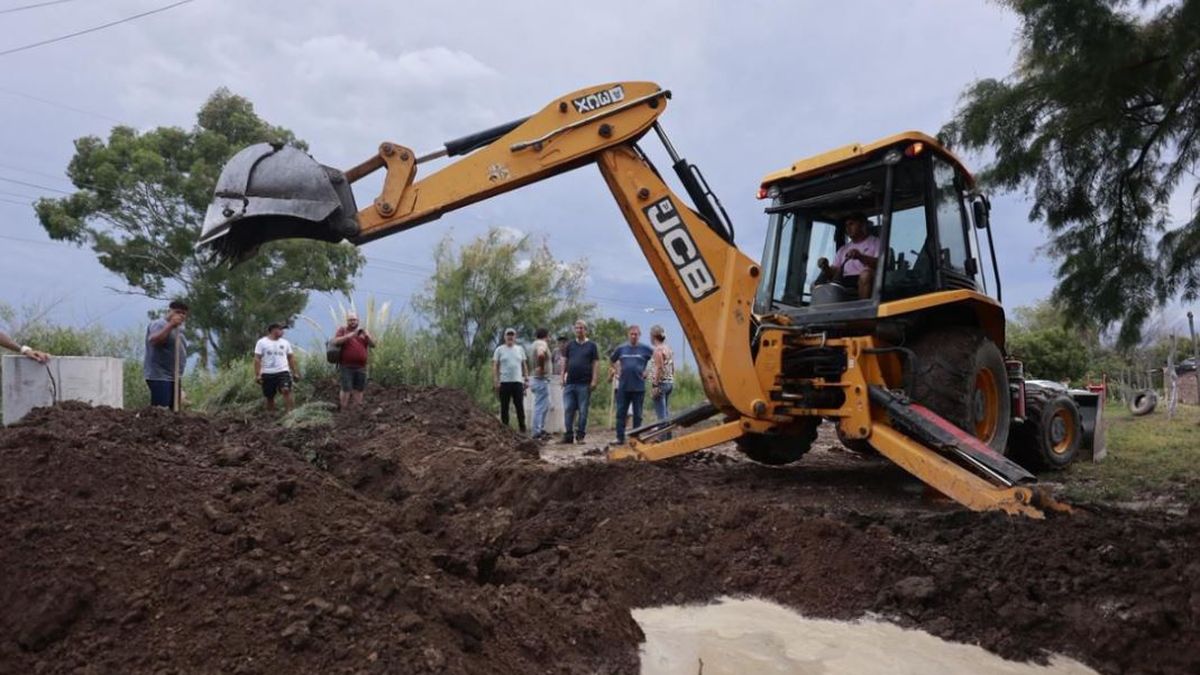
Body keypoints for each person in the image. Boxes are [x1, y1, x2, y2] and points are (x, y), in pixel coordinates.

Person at [816, 212, 880, 299]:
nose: (848, 228)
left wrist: (860, 257)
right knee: (815, 285)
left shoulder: (876, 243)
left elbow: (880, 264)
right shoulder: (843, 249)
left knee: (866, 275)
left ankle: (864, 308)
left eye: (851, 224)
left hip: (869, 281)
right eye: (846, 226)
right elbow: (834, 271)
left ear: (862, 225)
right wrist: (825, 266)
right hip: (846, 281)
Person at [609, 325, 655, 446]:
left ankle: (635, 437)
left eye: (636, 334)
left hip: (638, 386)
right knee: (621, 413)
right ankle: (620, 437)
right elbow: (612, 360)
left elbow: (658, 359)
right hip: (623, 386)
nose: (634, 336)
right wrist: (617, 369)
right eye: (632, 334)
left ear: (639, 335)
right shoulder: (621, 348)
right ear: (628, 335)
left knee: (638, 414)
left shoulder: (645, 349)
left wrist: (648, 372)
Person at [144, 300, 188, 409]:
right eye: (178, 312)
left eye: (183, 313)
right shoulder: (159, 324)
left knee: (173, 412)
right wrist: (171, 325)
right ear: (169, 311)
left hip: (174, 377)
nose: (181, 315)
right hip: (160, 376)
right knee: (161, 412)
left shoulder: (180, 329)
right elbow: (154, 341)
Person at [560, 319, 599, 445]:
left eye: (581, 328)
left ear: (585, 330)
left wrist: (594, 380)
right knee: (568, 409)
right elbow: (564, 361)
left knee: (583, 411)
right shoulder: (570, 345)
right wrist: (562, 377)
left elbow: (595, 363)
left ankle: (580, 436)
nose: (578, 330)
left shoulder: (592, 346)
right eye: (577, 328)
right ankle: (568, 435)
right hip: (570, 382)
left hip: (584, 383)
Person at [254, 323, 300, 413]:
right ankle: (271, 414)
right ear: (273, 330)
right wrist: (257, 374)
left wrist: (295, 372)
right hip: (267, 373)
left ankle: (290, 413)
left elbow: (290, 357)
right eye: (280, 329)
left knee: (286, 390)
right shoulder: (262, 342)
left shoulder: (285, 343)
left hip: (283, 371)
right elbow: (257, 359)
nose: (282, 332)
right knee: (269, 396)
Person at [333, 311, 375, 409]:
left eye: (354, 320)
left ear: (358, 321)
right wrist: (351, 335)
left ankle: (357, 409)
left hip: (361, 367)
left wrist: (367, 336)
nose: (352, 322)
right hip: (346, 366)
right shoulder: (342, 330)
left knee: (359, 388)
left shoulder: (364, 332)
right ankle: (344, 409)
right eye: (350, 320)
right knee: (346, 388)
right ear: (347, 321)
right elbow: (336, 342)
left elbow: (373, 344)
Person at [492, 328, 529, 433]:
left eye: (512, 335)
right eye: (508, 335)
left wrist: (526, 379)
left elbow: (524, 365)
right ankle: (505, 430)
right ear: (505, 337)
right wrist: (496, 380)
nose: (510, 337)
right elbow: (495, 365)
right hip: (504, 382)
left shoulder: (520, 349)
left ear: (515, 337)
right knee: (504, 407)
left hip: (517, 382)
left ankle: (522, 429)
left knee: (519, 407)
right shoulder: (499, 350)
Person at [648, 324, 676, 428]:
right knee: (666, 414)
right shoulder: (668, 349)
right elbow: (672, 367)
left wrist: (655, 384)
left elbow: (659, 367)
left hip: (661, 384)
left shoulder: (657, 350)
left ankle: (664, 440)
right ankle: (668, 438)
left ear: (653, 336)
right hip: (669, 383)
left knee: (661, 417)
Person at [529, 327, 552, 440]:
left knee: (545, 406)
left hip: (537, 379)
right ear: (546, 336)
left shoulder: (534, 343)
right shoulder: (542, 343)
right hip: (540, 380)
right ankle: (536, 432)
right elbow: (541, 354)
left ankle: (540, 430)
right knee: (539, 407)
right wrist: (541, 368)